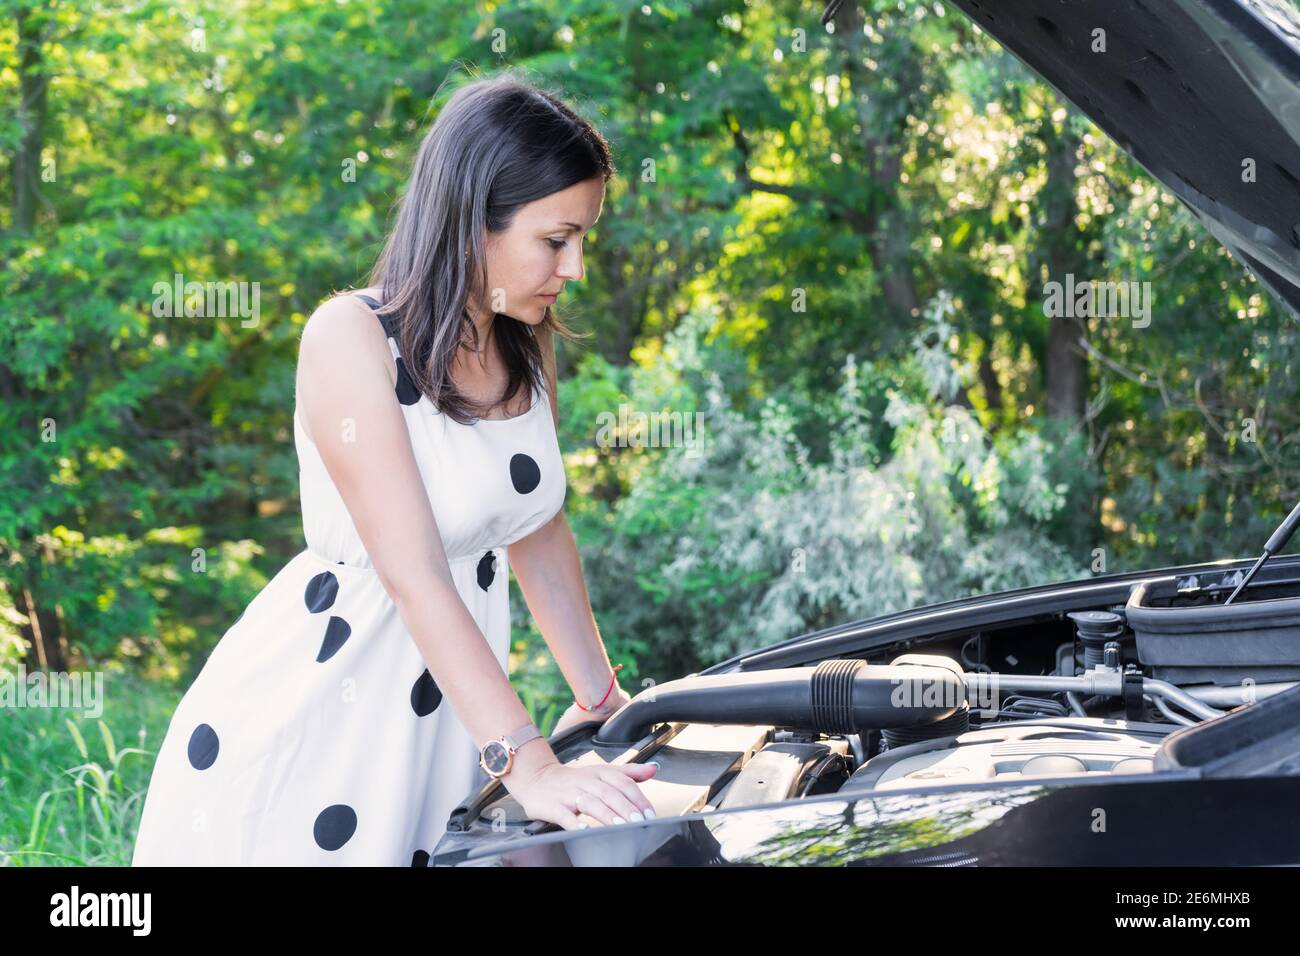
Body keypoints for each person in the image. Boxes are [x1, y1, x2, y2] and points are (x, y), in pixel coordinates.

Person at [131, 71, 657, 866]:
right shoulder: (350, 338)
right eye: (556, 240)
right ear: (475, 220)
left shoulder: (526, 339)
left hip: (453, 717)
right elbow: (414, 574)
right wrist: (528, 762)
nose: (575, 266)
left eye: (583, 239)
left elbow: (538, 531)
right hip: (326, 718)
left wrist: (602, 699)